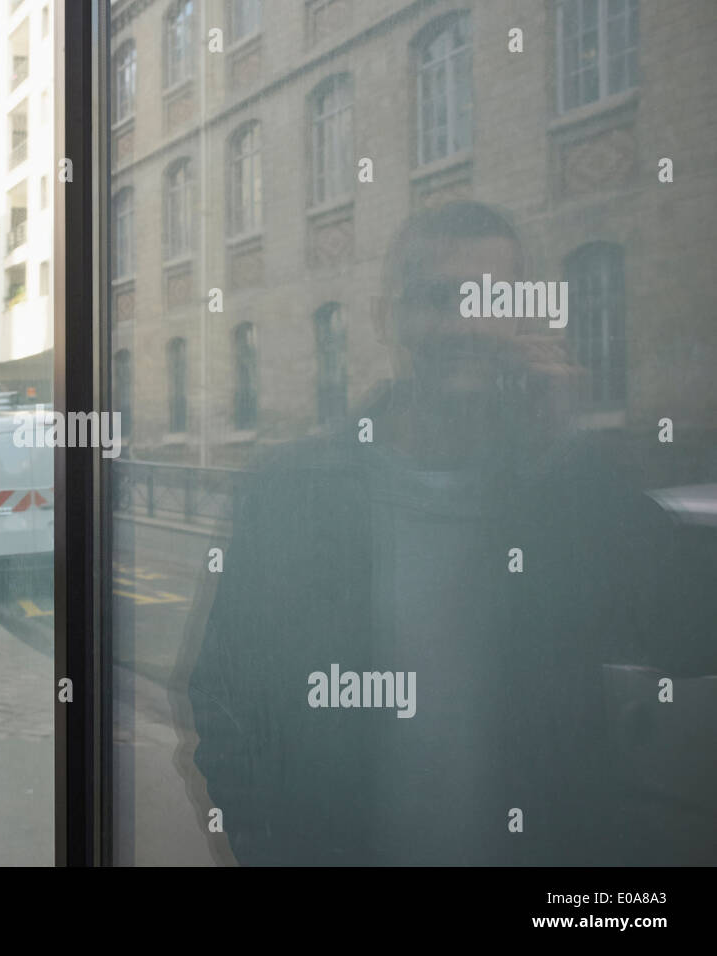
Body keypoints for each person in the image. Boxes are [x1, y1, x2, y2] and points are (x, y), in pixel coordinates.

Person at [186, 200, 717, 865]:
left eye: (491, 298)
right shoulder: (294, 490)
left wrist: (567, 455)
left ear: (525, 317)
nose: (466, 322)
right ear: (391, 318)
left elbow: (690, 635)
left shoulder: (560, 493)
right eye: (438, 297)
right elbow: (226, 701)